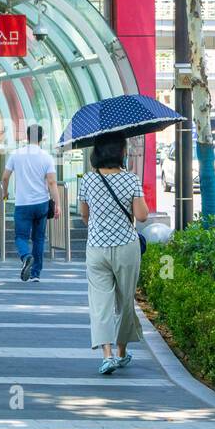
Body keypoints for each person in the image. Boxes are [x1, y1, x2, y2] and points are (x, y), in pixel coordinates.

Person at [78, 132, 148, 375]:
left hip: (96, 249)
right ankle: (121, 352)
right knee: (124, 301)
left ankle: (106, 355)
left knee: (100, 303)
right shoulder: (131, 180)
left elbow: (84, 215)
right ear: (121, 152)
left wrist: (99, 228)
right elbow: (142, 216)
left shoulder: (87, 180)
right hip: (126, 248)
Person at [2, 123, 60, 283]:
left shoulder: (16, 154)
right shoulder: (47, 157)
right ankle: (36, 274)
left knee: (21, 236)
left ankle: (26, 256)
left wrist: (5, 192)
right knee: (39, 239)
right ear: (42, 138)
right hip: (41, 204)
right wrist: (58, 204)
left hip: (22, 204)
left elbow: (5, 177)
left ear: (27, 136)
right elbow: (52, 182)